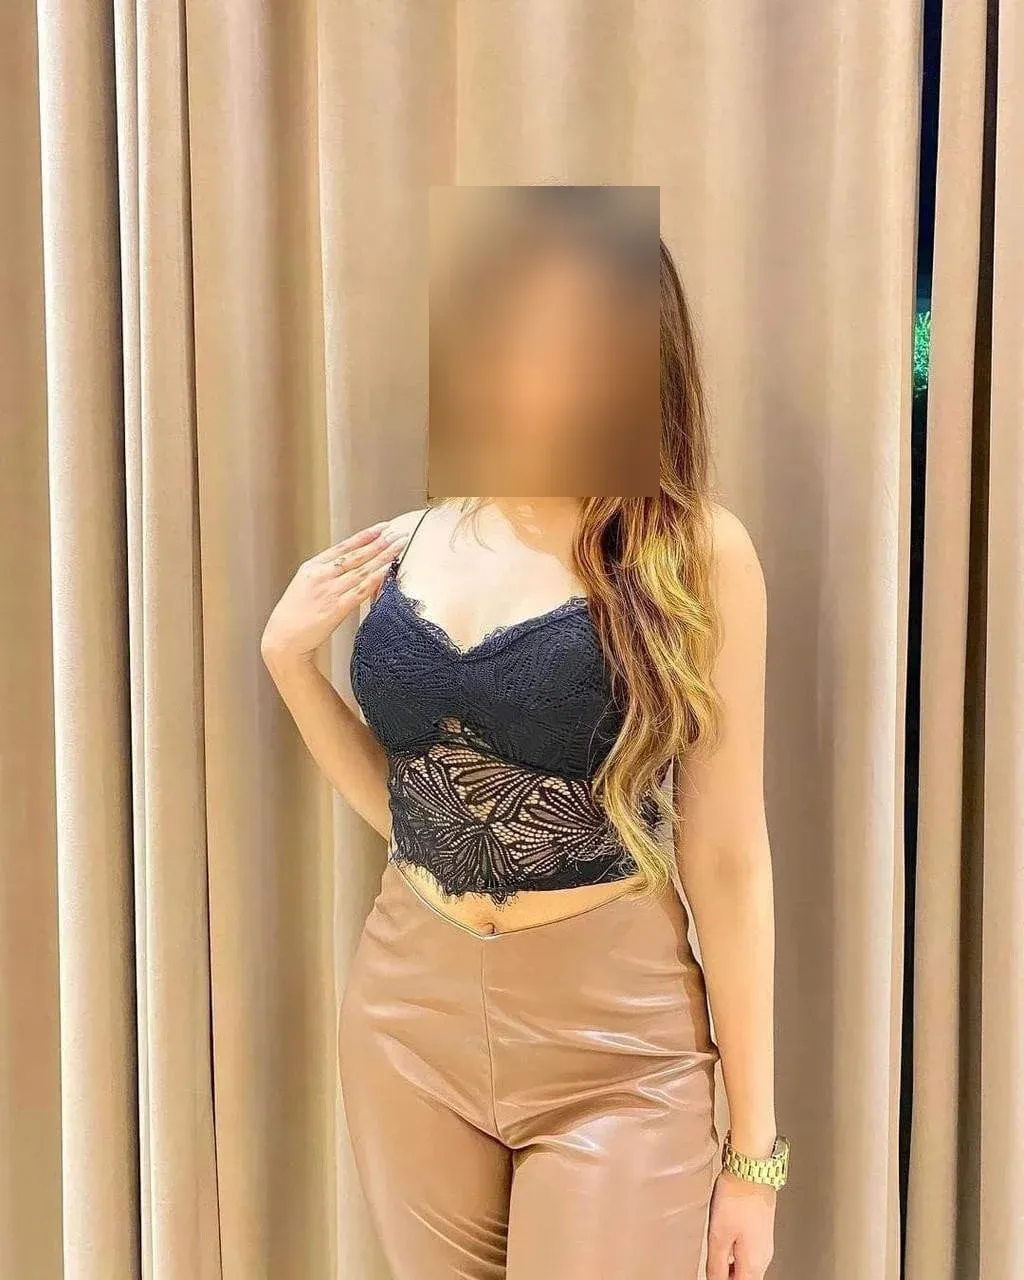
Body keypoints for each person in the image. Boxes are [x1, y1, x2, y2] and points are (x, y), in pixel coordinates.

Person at [261, 203, 785, 1280]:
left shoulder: (694, 552)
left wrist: (753, 1154)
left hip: (618, 1044)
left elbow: (728, 858)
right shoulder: (416, 537)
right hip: (406, 1018)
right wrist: (287, 662)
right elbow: (415, 810)